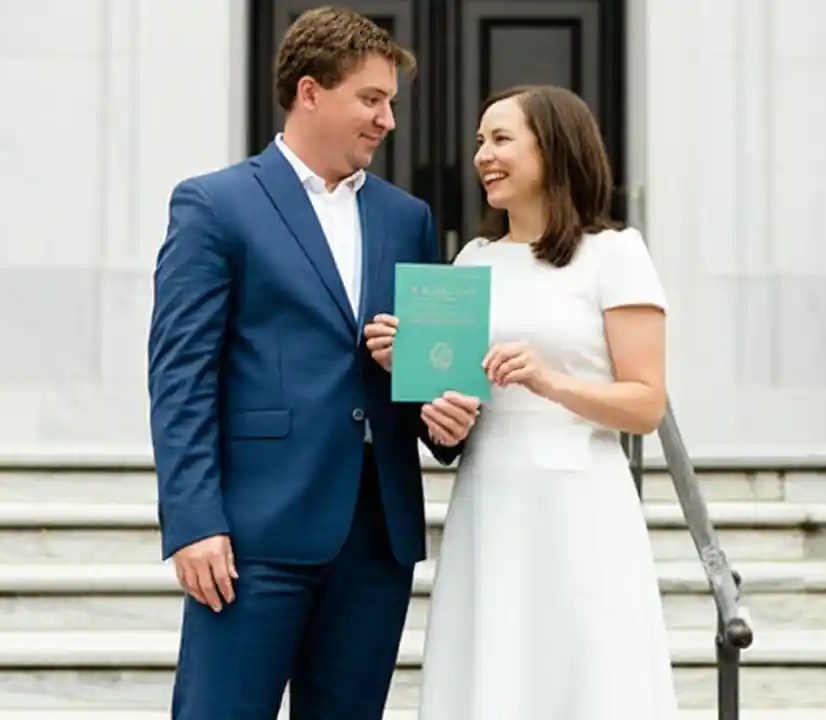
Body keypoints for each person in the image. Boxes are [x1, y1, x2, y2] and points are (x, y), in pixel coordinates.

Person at [147, 7, 480, 719]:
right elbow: (181, 376)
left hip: (376, 540)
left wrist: (444, 421)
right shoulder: (215, 204)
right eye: (371, 99)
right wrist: (193, 520)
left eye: (390, 102)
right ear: (310, 92)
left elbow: (425, 372)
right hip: (253, 536)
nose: (388, 120)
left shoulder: (408, 218)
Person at [366, 85, 679, 719]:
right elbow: (452, 398)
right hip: (490, 499)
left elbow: (647, 404)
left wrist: (550, 382)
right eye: (480, 141)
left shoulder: (613, 254)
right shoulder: (471, 260)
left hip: (579, 503)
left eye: (502, 139)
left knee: (581, 671)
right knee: (493, 667)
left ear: (554, 148)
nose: (483, 155)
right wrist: (420, 380)